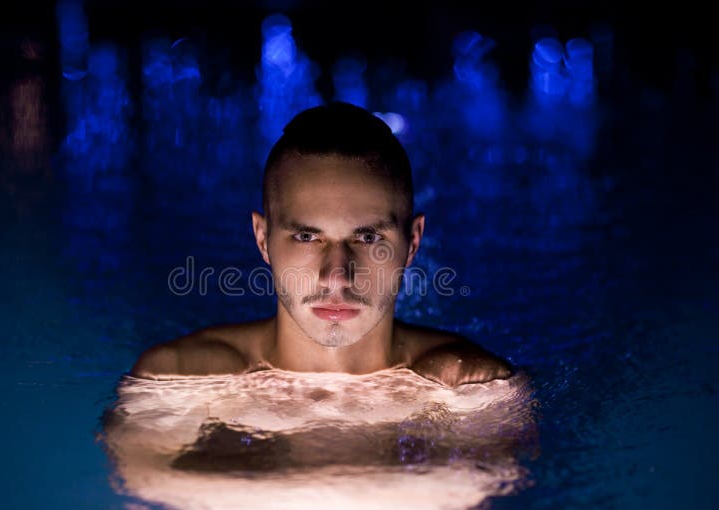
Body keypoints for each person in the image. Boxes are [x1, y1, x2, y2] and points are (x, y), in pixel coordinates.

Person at [130, 102, 513, 387]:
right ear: (262, 239)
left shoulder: (473, 387)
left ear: (413, 243)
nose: (336, 276)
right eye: (307, 236)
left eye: (367, 238)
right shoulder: (176, 379)